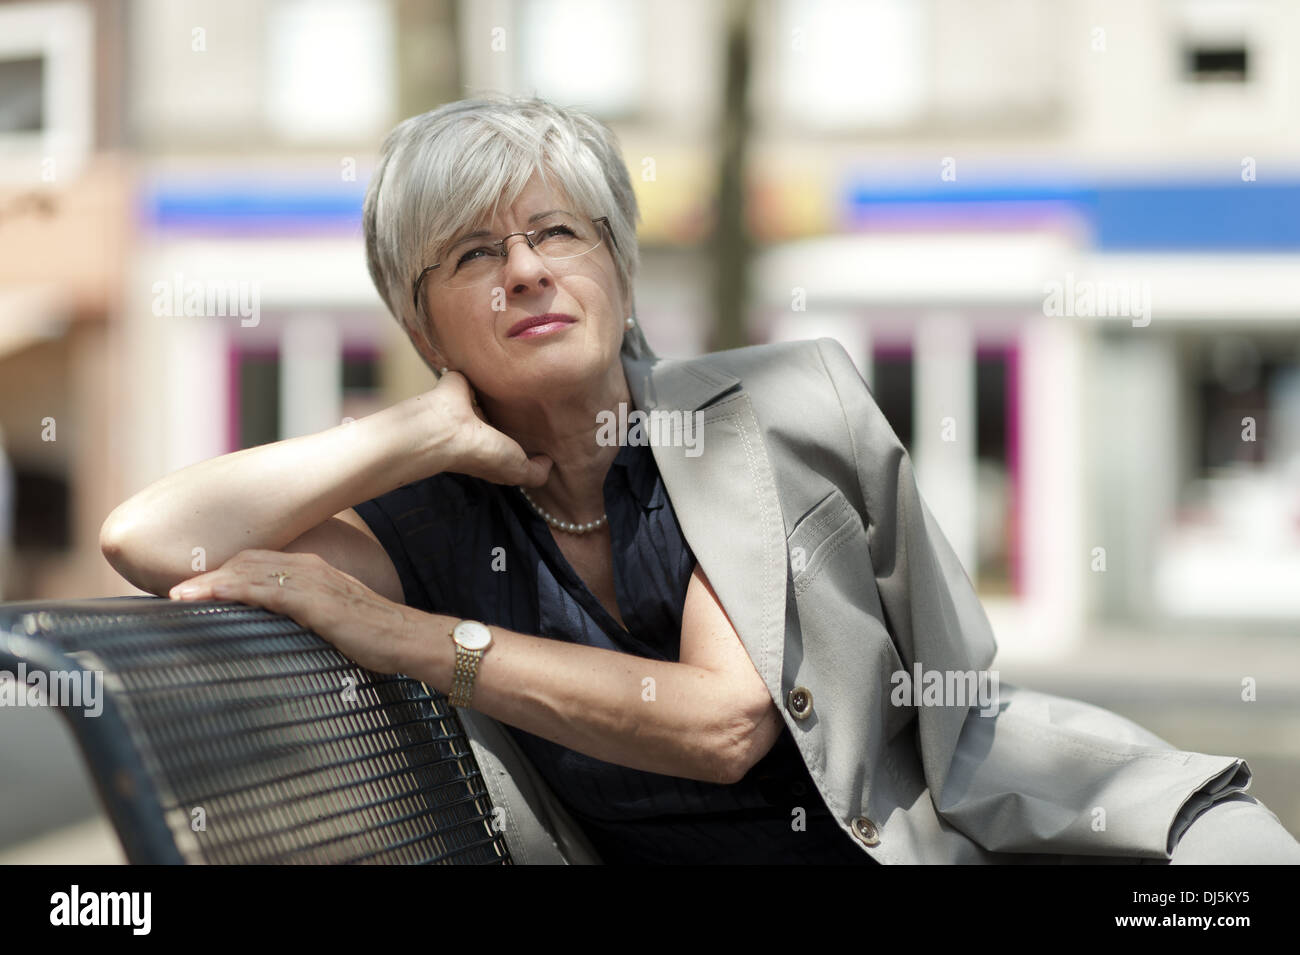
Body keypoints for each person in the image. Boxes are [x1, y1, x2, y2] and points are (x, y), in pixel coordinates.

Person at [101, 93, 1300, 865]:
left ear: (619, 271)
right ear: (423, 322)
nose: (524, 270)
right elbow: (152, 539)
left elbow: (724, 721)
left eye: (558, 234)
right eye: (472, 254)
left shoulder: (758, 415)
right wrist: (411, 432)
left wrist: (410, 638)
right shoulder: (429, 515)